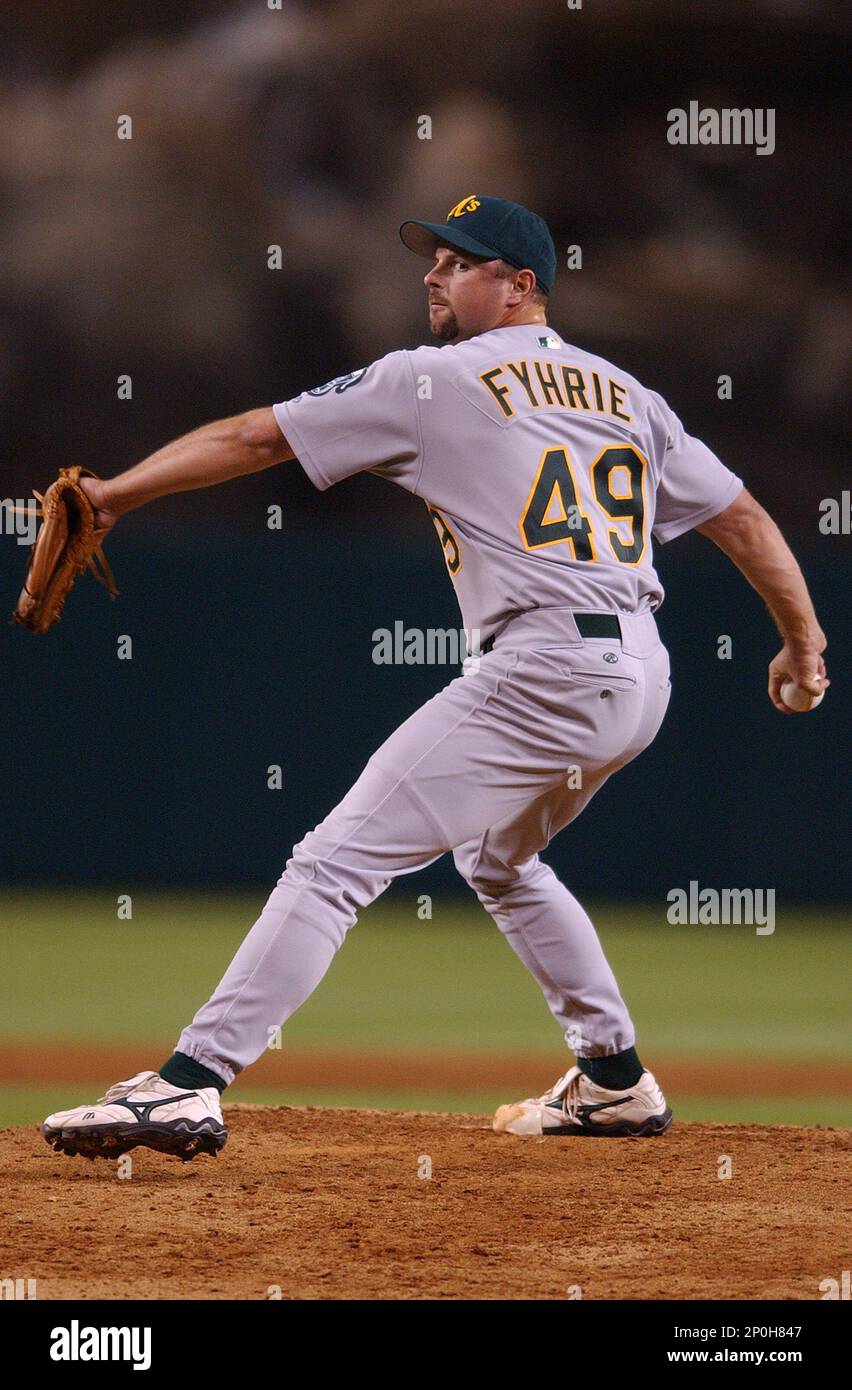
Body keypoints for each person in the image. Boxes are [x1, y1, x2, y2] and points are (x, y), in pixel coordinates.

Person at [43, 196, 828, 1161]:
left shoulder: (435, 378)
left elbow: (257, 438)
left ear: (520, 284)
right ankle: (615, 1082)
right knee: (498, 861)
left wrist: (118, 494)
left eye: (459, 262)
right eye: (437, 259)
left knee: (332, 864)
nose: (432, 275)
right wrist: (804, 644)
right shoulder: (629, 395)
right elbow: (743, 520)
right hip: (638, 677)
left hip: (544, 668)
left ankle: (186, 1086)